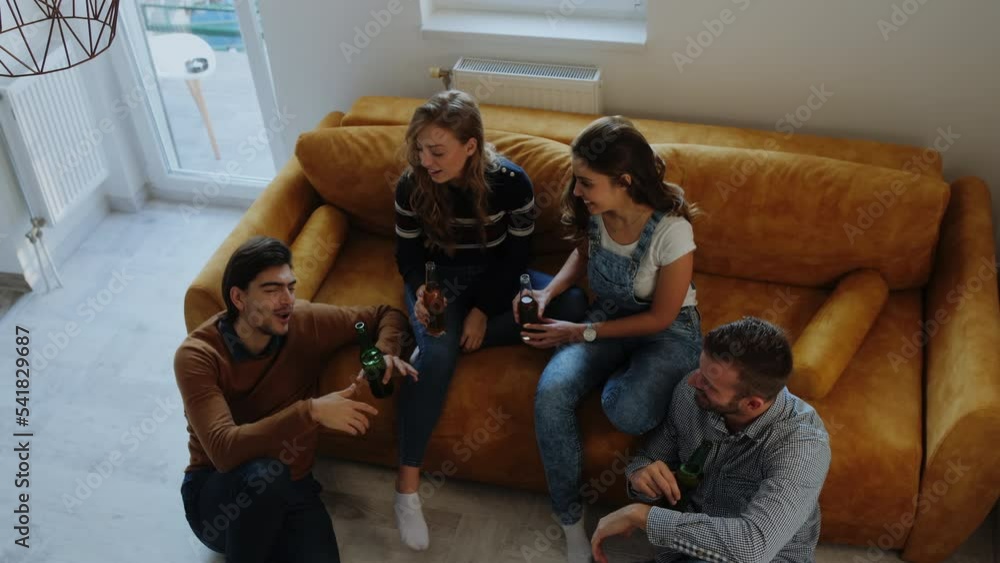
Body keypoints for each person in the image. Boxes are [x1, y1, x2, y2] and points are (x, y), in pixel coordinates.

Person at [393, 90, 588, 550]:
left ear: (471, 146)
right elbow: (407, 255)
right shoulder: (411, 185)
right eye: (420, 149)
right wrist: (422, 291)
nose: (426, 160)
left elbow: (517, 257)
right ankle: (405, 492)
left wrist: (483, 311)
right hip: (439, 279)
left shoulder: (510, 183)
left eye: (437, 151)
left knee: (574, 306)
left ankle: (465, 335)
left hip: (498, 278)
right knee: (436, 354)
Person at [525, 116, 703, 563]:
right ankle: (570, 523)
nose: (577, 191)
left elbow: (661, 316)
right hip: (606, 319)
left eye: (586, 183)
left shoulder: (671, 230)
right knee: (551, 393)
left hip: (668, 331)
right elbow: (584, 251)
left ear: (624, 181)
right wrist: (551, 290)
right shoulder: (596, 213)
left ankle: (643, 385)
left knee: (626, 408)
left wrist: (580, 332)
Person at [174, 236, 417, 563]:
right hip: (218, 498)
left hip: (294, 486)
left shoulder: (304, 322)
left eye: (290, 287)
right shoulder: (198, 355)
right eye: (272, 290)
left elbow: (387, 315)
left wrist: (384, 353)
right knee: (265, 475)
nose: (287, 300)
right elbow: (224, 450)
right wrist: (311, 411)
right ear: (239, 297)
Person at [591, 317, 832, 563]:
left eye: (708, 383)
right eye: (700, 369)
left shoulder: (803, 446)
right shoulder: (691, 396)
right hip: (683, 548)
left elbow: (752, 548)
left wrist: (642, 516)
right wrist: (640, 473)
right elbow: (651, 456)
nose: (692, 381)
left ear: (752, 404)